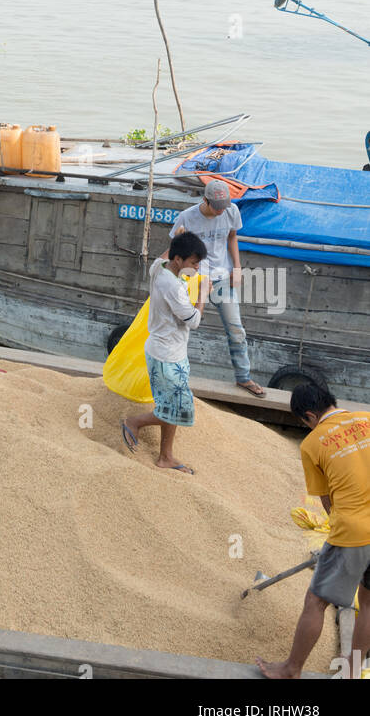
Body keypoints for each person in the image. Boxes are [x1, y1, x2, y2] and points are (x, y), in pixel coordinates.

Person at [257, 382, 370, 680]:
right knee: (369, 602)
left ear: (308, 415)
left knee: (316, 600)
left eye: (303, 422)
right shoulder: (367, 419)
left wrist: (341, 536)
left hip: (354, 531)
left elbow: (327, 500)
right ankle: (352, 671)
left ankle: (291, 669)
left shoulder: (312, 443)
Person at [167, 180, 265, 397]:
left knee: (236, 329)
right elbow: (175, 251)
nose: (221, 211)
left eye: (225, 206)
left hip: (221, 278)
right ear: (205, 201)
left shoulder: (231, 211)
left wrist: (237, 268)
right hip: (193, 278)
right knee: (182, 327)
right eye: (217, 207)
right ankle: (175, 375)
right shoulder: (187, 217)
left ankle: (243, 377)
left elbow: (232, 237)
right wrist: (165, 274)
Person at [121, 230, 207, 474]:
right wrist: (203, 294)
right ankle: (134, 422)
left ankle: (165, 456)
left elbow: (163, 256)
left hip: (168, 350)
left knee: (171, 404)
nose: (197, 268)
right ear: (179, 260)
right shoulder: (173, 287)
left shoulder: (160, 267)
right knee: (178, 409)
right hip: (167, 355)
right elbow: (194, 320)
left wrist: (177, 238)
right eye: (193, 262)